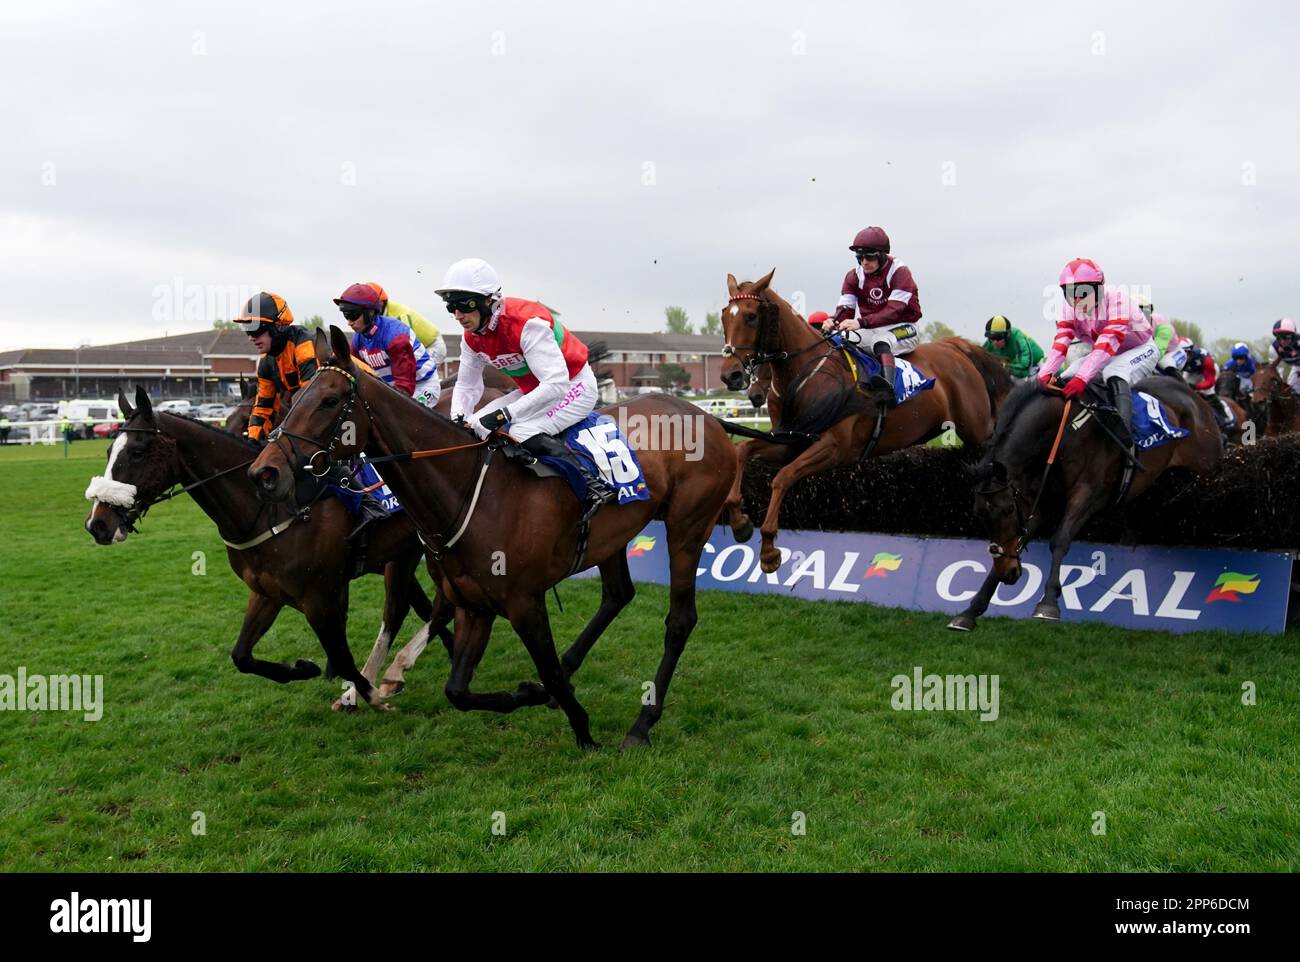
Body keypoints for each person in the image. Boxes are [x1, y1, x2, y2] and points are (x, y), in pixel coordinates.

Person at [439, 257, 614, 521]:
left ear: (490, 301)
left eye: (465, 304)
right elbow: (466, 384)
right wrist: (458, 418)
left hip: (573, 385)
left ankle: (591, 487)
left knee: (522, 429)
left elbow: (556, 384)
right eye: (451, 306)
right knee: (475, 424)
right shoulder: (472, 338)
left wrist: (504, 415)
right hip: (537, 390)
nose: (458, 314)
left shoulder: (527, 324)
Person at [1036, 258, 1158, 452]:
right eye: (1069, 293)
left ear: (1099, 289)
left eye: (1082, 293)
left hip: (1141, 349)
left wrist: (1082, 379)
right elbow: (1060, 344)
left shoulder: (1118, 301)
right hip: (1110, 351)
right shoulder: (1068, 310)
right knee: (1068, 375)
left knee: (1114, 372)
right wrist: (1044, 374)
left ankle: (1123, 432)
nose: (1076, 300)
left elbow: (1105, 344)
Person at [825, 226, 921, 405]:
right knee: (838, 337)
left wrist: (861, 322)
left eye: (869, 257)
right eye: (859, 257)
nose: (864, 262)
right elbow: (846, 308)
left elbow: (894, 310)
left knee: (881, 342)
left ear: (883, 255)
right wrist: (834, 320)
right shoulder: (853, 276)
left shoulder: (900, 272)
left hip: (904, 327)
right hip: (872, 327)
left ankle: (888, 391)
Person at [334, 283, 440, 407]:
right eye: (345, 315)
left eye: (352, 315)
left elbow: (404, 387)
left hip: (423, 386)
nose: (349, 322)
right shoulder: (358, 339)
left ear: (370, 312)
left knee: (402, 417)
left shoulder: (395, 336)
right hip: (393, 389)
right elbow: (350, 371)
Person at [235, 292, 318, 444]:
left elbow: (311, 401)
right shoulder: (266, 362)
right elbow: (263, 407)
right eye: (247, 329)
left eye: (255, 329)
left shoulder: (304, 345)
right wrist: (253, 440)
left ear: (278, 326)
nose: (251, 337)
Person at [365, 282, 447, 372]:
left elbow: (407, 346)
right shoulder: (380, 315)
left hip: (432, 347)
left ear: (381, 301)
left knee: (411, 373)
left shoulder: (399, 315)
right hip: (420, 348)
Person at [1183, 344, 1231, 433]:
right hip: (1191, 371)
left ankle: (1224, 417)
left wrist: (1197, 387)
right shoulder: (1175, 357)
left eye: (1185, 353)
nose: (1182, 356)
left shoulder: (1206, 360)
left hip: (1207, 371)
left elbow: (1210, 382)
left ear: (1190, 352)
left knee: (1207, 392)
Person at [981, 315, 1044, 383]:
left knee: (1017, 380)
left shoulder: (1018, 339)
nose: (995, 342)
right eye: (991, 337)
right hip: (1014, 367)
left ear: (1007, 336)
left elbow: (1024, 370)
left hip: (1034, 366)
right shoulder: (989, 343)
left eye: (998, 337)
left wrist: (1003, 366)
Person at [1270, 318, 1300, 392]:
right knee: (1290, 389)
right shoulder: (1274, 348)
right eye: (1279, 338)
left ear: (1293, 336)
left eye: (1286, 337)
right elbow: (1276, 368)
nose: (1282, 341)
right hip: (1297, 366)